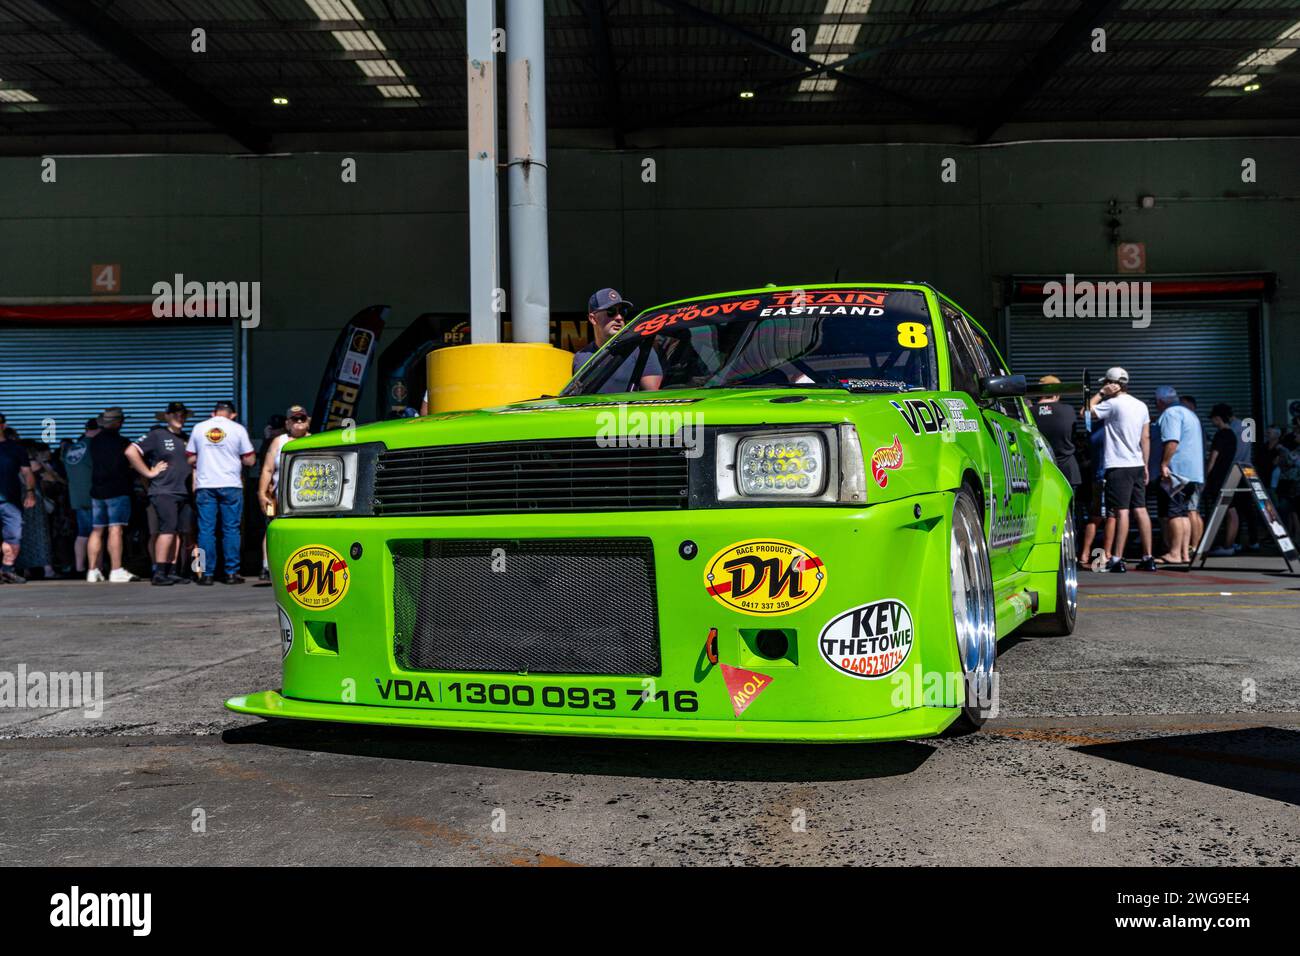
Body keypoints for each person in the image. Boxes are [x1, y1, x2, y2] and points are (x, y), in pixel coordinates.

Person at [1084, 367, 1157, 572]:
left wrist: (1099, 395)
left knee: (1121, 511)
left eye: (1104, 383)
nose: (1103, 387)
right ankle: (1148, 557)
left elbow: (1085, 414)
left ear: (1111, 383)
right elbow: (1146, 437)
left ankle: (1117, 558)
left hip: (1118, 465)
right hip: (1136, 463)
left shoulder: (1112, 404)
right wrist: (1145, 464)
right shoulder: (1140, 405)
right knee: (1141, 509)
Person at [187, 401, 255, 585]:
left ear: (213, 413)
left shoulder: (199, 428)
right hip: (231, 484)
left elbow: (191, 457)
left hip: (205, 484)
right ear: (232, 414)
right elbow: (250, 460)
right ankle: (231, 573)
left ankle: (206, 574)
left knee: (206, 530)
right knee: (231, 529)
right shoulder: (238, 429)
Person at [127, 402, 194, 587]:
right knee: (167, 530)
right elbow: (131, 451)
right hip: (164, 491)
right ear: (167, 417)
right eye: (175, 414)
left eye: (182, 415)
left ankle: (172, 570)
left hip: (183, 491)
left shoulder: (187, 438)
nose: (179, 418)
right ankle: (159, 571)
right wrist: (148, 472)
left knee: (180, 532)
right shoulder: (157, 435)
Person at [257, 405, 311, 583]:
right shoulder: (279, 441)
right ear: (287, 423)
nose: (298, 422)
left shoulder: (317, 440)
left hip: (309, 498)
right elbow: (267, 469)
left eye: (302, 419)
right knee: (273, 529)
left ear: (308, 421)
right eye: (294, 419)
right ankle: (267, 566)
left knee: (305, 532)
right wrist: (262, 493)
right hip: (281, 497)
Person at [571, 288, 663, 393]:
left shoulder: (642, 351)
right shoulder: (580, 358)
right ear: (593, 318)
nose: (619, 317)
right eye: (611, 311)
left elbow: (654, 399)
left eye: (622, 312)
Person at [85, 407, 139, 582]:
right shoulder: (123, 442)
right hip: (117, 489)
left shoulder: (94, 441)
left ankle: (92, 570)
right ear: (118, 423)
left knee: (97, 529)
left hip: (97, 490)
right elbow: (129, 464)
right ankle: (116, 569)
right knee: (115, 528)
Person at [1153, 386, 1204, 564]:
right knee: (1183, 513)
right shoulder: (1189, 413)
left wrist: (1164, 463)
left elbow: (1172, 441)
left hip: (1178, 472)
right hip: (1193, 472)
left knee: (1174, 513)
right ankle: (1183, 553)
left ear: (1159, 402)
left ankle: (1174, 553)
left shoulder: (1170, 414)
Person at [0, 414, 36, 584]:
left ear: (3, 425)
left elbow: (27, 472)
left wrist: (30, 492)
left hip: (10, 501)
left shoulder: (16, 449)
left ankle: (7, 570)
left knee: (14, 535)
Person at [63, 419, 99, 575]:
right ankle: (95, 567)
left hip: (77, 495)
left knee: (83, 532)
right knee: (97, 532)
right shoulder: (96, 446)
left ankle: (79, 567)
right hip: (94, 494)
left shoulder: (71, 448)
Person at [1204, 403, 1241, 556]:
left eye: (1213, 419)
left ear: (1218, 418)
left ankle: (1227, 545)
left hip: (1218, 477)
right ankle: (1229, 544)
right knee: (1230, 509)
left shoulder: (1221, 434)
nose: (1212, 422)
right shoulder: (1232, 434)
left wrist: (1206, 475)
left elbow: (1213, 457)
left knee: (1227, 510)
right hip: (1229, 474)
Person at [1033, 376, 1081, 491]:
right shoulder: (1068, 410)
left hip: (1040, 469)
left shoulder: (1029, 412)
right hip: (1067, 470)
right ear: (1058, 393)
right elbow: (1074, 435)